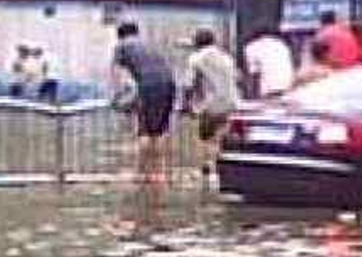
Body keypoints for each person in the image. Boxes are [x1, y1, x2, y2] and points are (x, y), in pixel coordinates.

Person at [111, 22, 177, 182]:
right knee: (159, 130)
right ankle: (160, 173)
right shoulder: (149, 45)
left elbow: (117, 74)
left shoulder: (121, 46)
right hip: (169, 83)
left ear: (120, 35)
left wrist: (118, 97)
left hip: (148, 85)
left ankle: (141, 172)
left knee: (145, 130)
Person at [184, 28, 240, 182]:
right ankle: (218, 170)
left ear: (197, 43)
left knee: (204, 137)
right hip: (232, 102)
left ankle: (204, 169)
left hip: (211, 103)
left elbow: (189, 84)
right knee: (220, 137)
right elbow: (236, 78)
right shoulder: (227, 57)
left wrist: (187, 105)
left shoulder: (196, 58)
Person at [243, 28, 294, 99]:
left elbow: (253, 75)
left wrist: (250, 96)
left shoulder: (251, 46)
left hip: (268, 92)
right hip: (287, 88)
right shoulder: (281, 44)